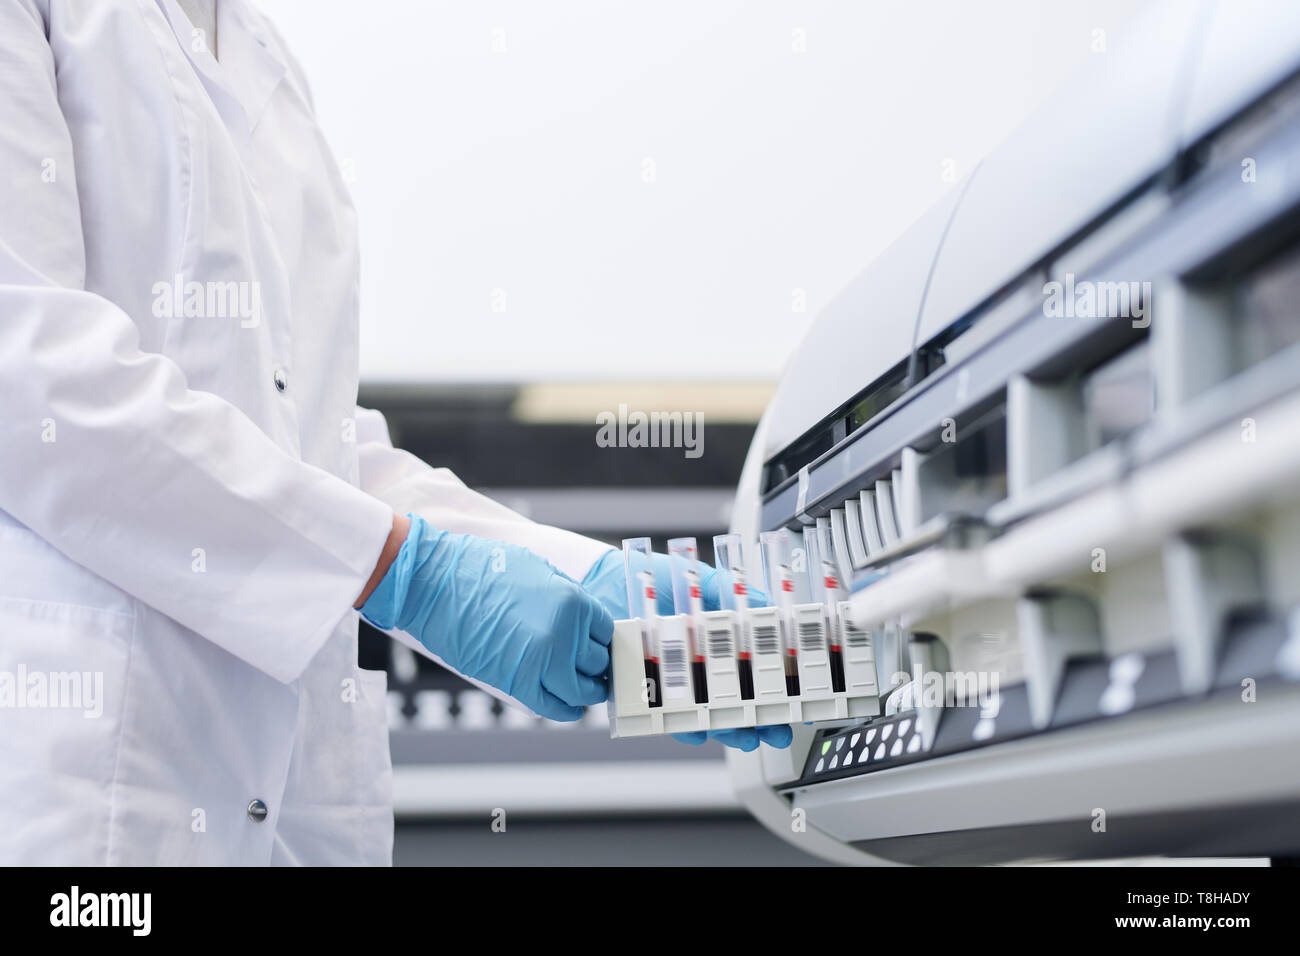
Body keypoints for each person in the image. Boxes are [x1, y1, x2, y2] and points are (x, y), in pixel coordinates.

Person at [0, 0, 788, 866]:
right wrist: (403, 571)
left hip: (288, 808)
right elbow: (32, 381)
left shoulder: (263, 61)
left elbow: (310, 442)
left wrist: (576, 568)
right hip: (96, 803)